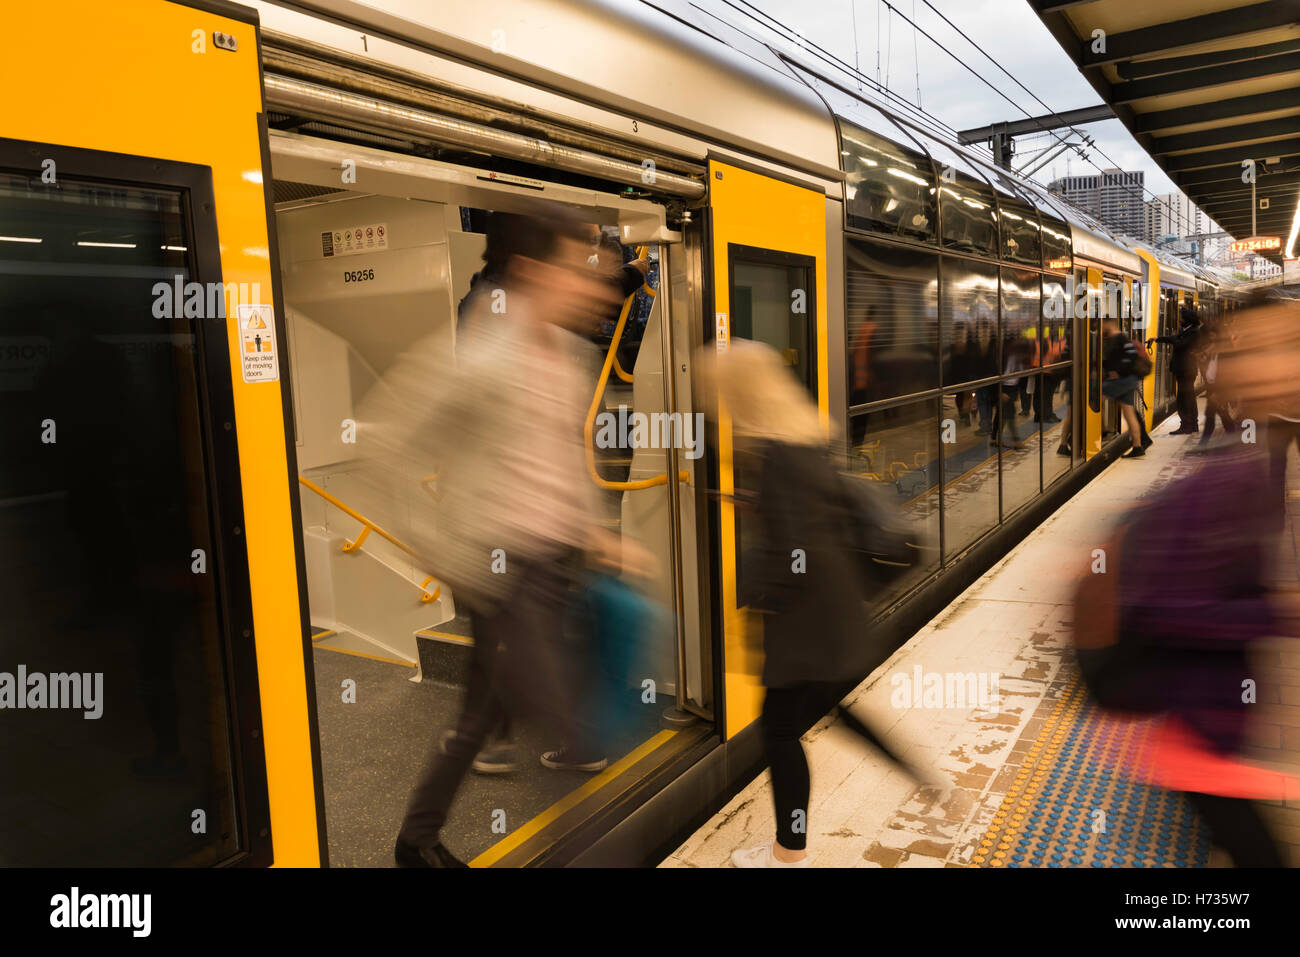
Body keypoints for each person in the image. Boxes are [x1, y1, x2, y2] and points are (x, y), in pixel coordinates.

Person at [386, 206, 619, 867]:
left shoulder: (570, 354)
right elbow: (388, 454)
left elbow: (558, 455)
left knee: (476, 722)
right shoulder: (478, 358)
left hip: (552, 566)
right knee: (569, 727)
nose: (594, 286)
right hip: (504, 573)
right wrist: (455, 561)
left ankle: (415, 841)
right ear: (530, 270)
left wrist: (595, 533)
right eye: (580, 270)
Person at [702, 341, 937, 869]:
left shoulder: (772, 453)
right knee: (823, 707)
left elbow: (793, 551)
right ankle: (922, 777)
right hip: (832, 610)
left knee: (780, 729)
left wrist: (759, 603)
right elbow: (816, 517)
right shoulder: (802, 436)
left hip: (805, 620)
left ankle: (790, 853)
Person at [1147, 305, 1203, 435]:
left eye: (1181, 318)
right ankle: (1192, 424)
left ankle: (1186, 425)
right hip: (1184, 369)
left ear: (1187, 319)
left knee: (1184, 399)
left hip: (1186, 370)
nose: (1179, 320)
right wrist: (1157, 339)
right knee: (1188, 397)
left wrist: (1175, 338)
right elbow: (1176, 339)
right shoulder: (1188, 330)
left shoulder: (1193, 332)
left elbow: (1180, 344)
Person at [1102, 317, 1152, 458]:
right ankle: (1137, 447)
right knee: (1128, 413)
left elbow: (1130, 359)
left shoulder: (1121, 339)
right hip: (1126, 380)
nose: (1101, 327)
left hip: (1124, 380)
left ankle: (1101, 431)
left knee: (1093, 394)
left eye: (1103, 324)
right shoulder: (1112, 339)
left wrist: (1116, 371)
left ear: (1109, 324)